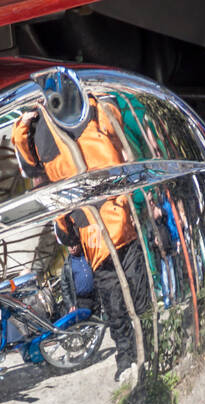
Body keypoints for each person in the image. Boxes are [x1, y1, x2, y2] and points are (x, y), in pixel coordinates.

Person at [12, 98, 149, 381]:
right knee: (129, 296)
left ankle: (131, 359)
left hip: (104, 227)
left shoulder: (41, 131)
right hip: (112, 221)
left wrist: (67, 231)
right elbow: (115, 124)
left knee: (121, 300)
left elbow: (36, 172)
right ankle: (137, 356)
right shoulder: (88, 109)